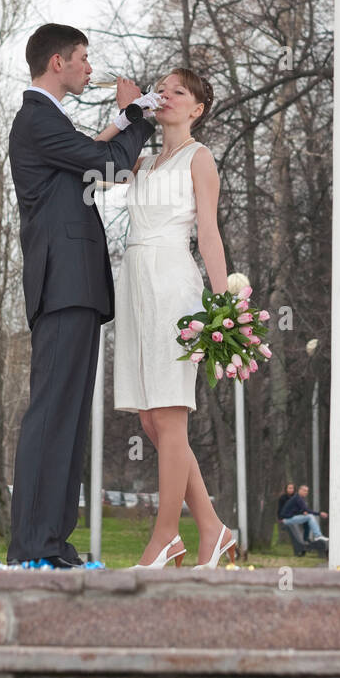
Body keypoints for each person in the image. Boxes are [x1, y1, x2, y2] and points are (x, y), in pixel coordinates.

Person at [7, 24, 156, 567]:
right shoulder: (36, 117)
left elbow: (89, 154)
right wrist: (136, 115)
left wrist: (123, 120)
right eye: (83, 60)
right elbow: (110, 166)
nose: (90, 69)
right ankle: (32, 546)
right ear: (57, 62)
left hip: (76, 286)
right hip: (63, 283)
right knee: (52, 414)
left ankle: (51, 541)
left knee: (67, 418)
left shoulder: (48, 121)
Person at [113, 68, 236, 569]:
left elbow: (208, 234)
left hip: (172, 283)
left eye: (177, 92)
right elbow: (97, 160)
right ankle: (211, 527)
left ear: (197, 108)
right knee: (150, 417)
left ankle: (165, 536)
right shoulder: (140, 160)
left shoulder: (199, 158)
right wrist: (127, 115)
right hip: (135, 282)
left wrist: (224, 304)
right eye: (160, 89)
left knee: (169, 411)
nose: (165, 96)